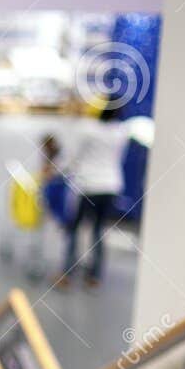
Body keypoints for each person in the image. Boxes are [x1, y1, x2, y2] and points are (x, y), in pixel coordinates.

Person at [58, 107, 129, 289]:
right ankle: (94, 277)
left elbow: (72, 157)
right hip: (110, 186)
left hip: (87, 187)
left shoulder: (87, 129)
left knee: (74, 229)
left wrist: (58, 170)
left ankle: (67, 274)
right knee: (98, 231)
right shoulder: (121, 132)